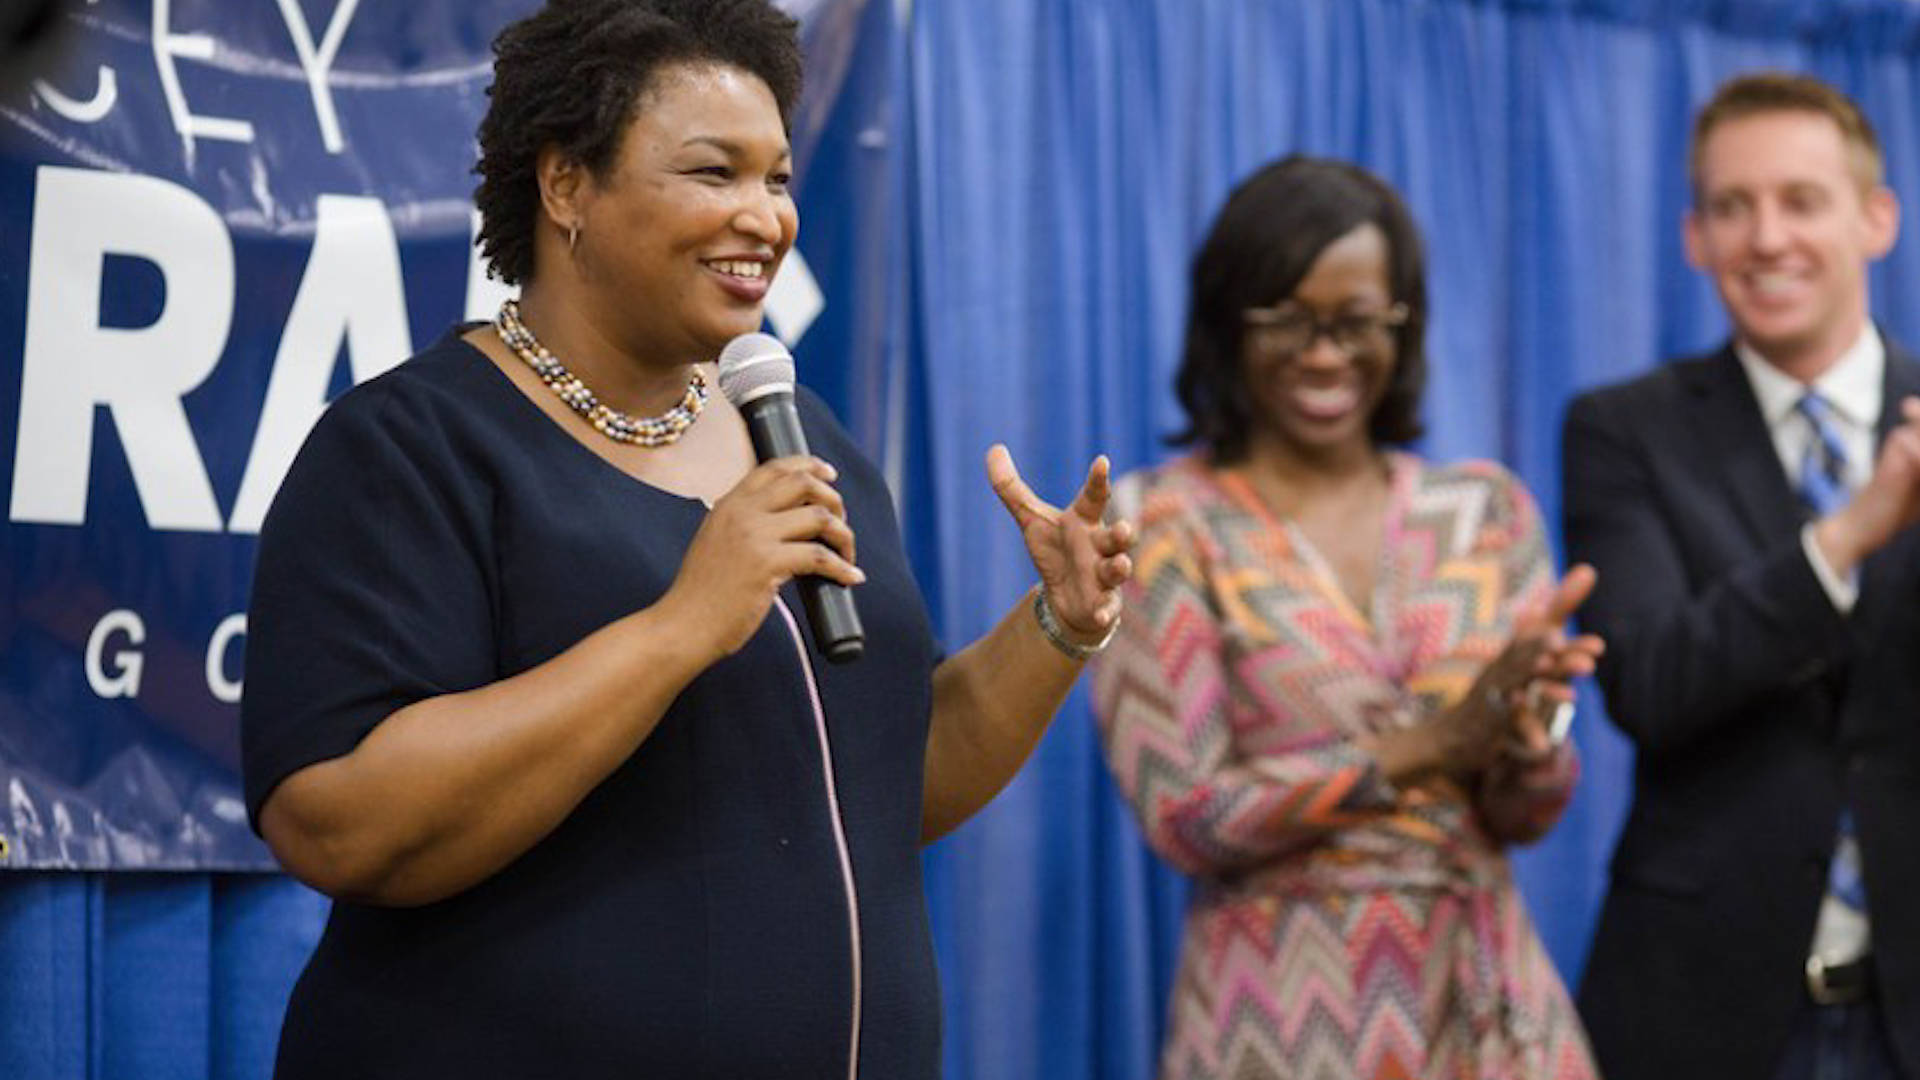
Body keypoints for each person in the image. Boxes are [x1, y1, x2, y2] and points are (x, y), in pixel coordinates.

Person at [239, 2, 1134, 1076]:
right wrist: (680, 628)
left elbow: (887, 777)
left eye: (779, 180)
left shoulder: (804, 442)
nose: (765, 217)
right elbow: (335, 820)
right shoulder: (414, 447)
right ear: (566, 184)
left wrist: (1056, 628)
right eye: (715, 173)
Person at [1090, 155, 1604, 1080]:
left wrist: (1529, 753)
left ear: (1403, 325)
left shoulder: (1484, 512)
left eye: (1358, 322)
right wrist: (1428, 746)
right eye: (1289, 320)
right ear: (1228, 322)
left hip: (1493, 1014)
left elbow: (1525, 815)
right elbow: (1184, 817)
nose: (1326, 354)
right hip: (1280, 1021)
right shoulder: (1163, 525)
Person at [1566, 71, 1920, 1080]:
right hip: (1701, 1005)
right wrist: (1848, 537)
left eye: (1801, 201)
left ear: (1877, 219)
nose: (1767, 239)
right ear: (1694, 238)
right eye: (1732, 206)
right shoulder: (1624, 429)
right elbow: (1652, 683)